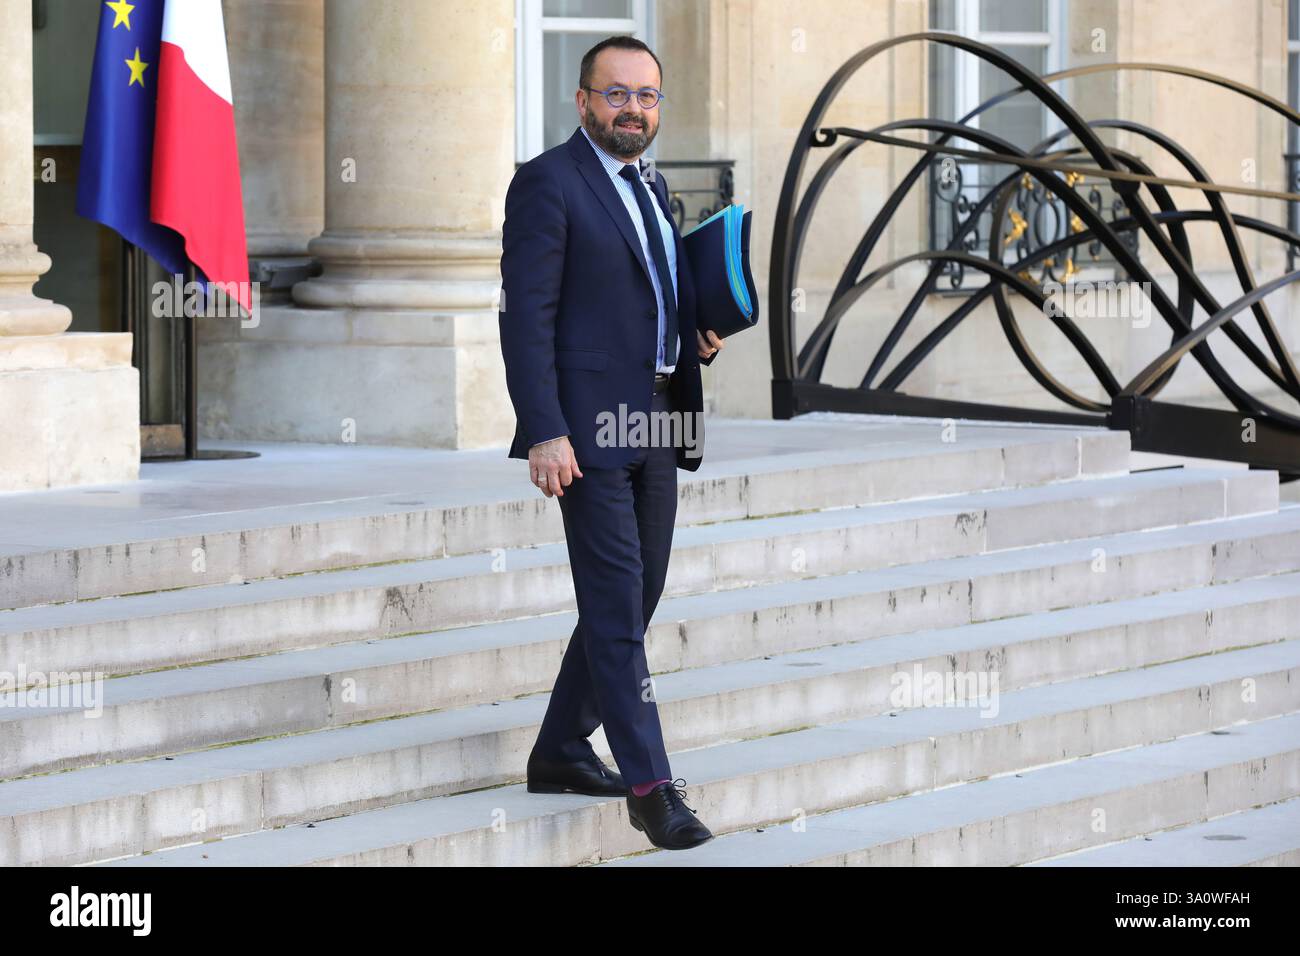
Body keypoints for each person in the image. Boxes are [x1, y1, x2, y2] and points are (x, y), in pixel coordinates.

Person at [497, 35, 726, 851]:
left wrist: (688, 324)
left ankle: (561, 746)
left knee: (642, 591)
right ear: (584, 100)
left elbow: (647, 287)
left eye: (648, 96)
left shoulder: (653, 186)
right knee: (615, 603)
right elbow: (526, 317)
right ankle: (652, 786)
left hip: (658, 416)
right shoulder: (547, 183)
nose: (634, 108)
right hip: (586, 429)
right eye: (617, 93)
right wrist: (544, 429)